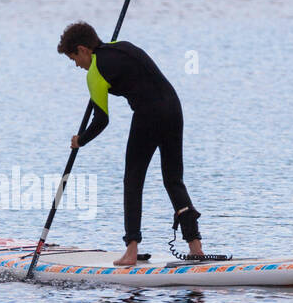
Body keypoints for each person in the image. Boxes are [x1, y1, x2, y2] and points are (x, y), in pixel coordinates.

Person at [57, 21, 204, 265]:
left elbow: (101, 120)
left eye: (74, 58)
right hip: (173, 108)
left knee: (133, 180)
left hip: (148, 115)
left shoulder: (95, 74)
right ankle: (195, 246)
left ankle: (131, 250)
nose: (76, 65)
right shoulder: (122, 46)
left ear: (83, 49)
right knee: (173, 179)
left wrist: (80, 140)